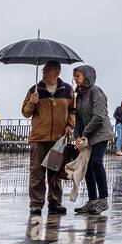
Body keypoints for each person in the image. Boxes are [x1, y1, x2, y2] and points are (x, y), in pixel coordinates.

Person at [22, 61, 75, 218]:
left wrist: (70, 125)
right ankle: (36, 204)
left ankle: (55, 202)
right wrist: (32, 102)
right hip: (39, 138)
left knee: (55, 172)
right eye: (43, 70)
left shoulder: (67, 89)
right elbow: (25, 112)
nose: (44, 73)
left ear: (56, 73)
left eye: (47, 71)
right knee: (37, 171)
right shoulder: (35, 90)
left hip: (58, 139)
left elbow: (73, 111)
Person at [71, 64, 111, 215]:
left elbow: (99, 116)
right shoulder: (80, 94)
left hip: (100, 133)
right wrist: (77, 136)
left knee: (96, 162)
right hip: (87, 135)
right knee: (87, 165)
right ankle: (92, 200)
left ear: (87, 77)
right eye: (74, 76)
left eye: (78, 76)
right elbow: (79, 119)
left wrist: (85, 134)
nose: (75, 79)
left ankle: (103, 199)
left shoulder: (96, 92)